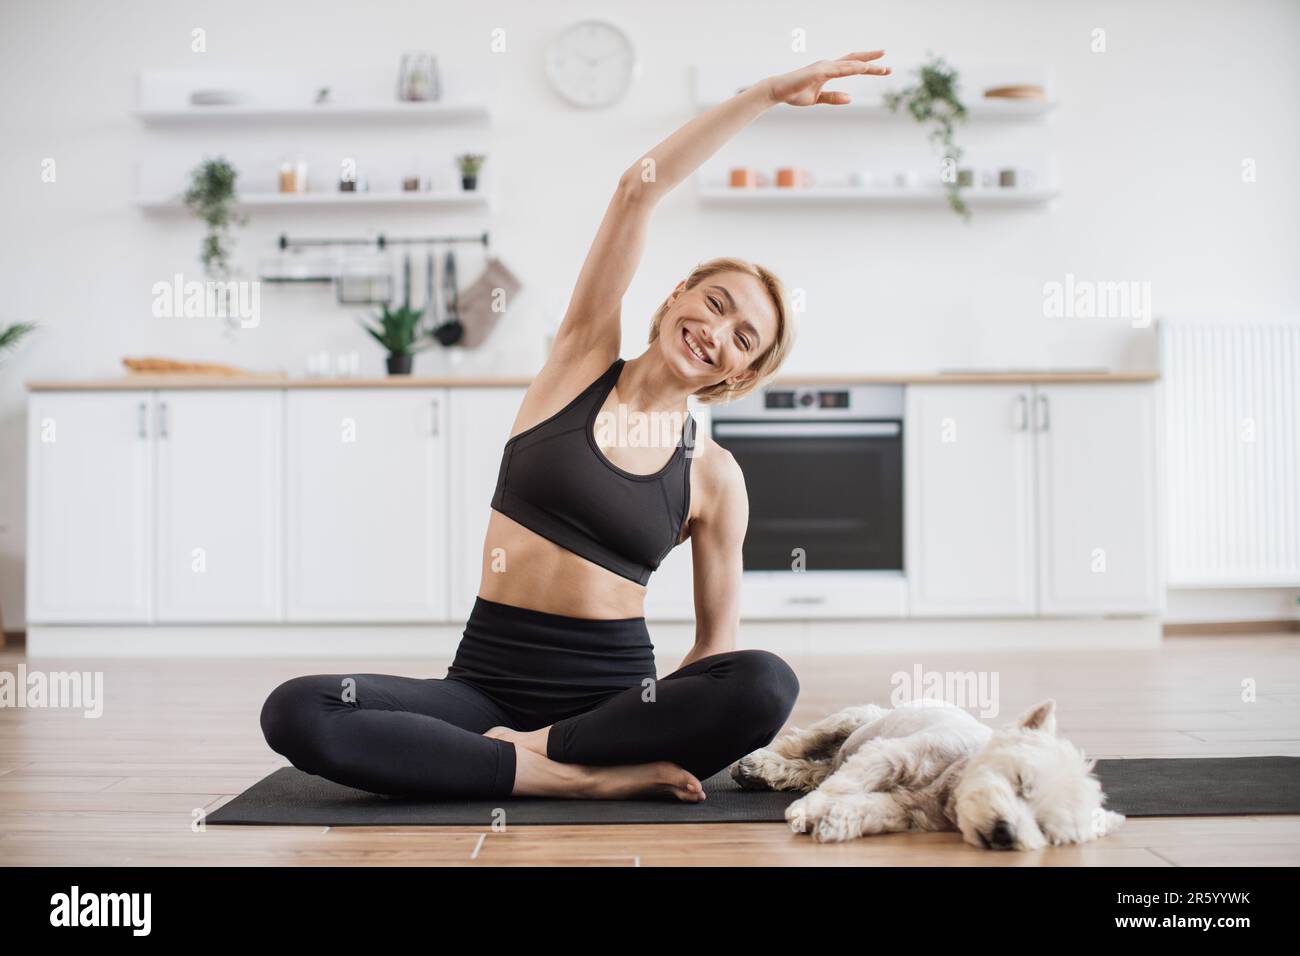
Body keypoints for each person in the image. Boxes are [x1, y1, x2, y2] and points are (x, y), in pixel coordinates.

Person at [260, 51, 893, 802]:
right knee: (300, 709)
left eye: (743, 338)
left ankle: (525, 759)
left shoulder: (714, 475)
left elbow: (714, 648)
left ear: (738, 375)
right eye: (717, 304)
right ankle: (571, 780)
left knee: (764, 682)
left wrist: (670, 719)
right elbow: (636, 192)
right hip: (482, 690)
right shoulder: (578, 365)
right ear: (680, 294)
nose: (717, 332)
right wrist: (762, 96)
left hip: (615, 705)